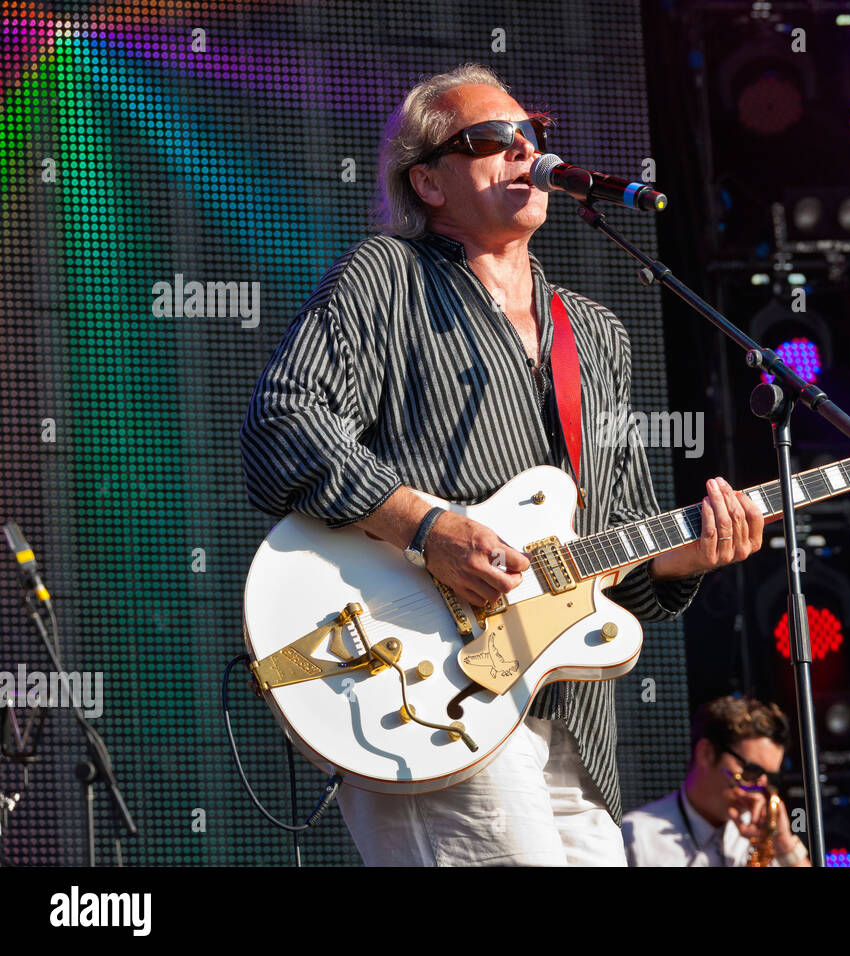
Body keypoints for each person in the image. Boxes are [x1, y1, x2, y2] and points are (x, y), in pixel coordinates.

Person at [239, 64, 766, 866]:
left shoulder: (594, 333)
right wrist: (430, 530)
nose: (525, 150)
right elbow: (283, 424)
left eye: (535, 135)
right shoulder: (386, 276)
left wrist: (681, 558)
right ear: (430, 183)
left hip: (570, 723)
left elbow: (614, 545)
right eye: (492, 139)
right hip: (424, 686)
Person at [621, 696, 811, 866]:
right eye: (752, 770)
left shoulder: (764, 835)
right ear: (707, 753)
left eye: (770, 777)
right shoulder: (636, 837)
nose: (760, 785)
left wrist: (784, 844)